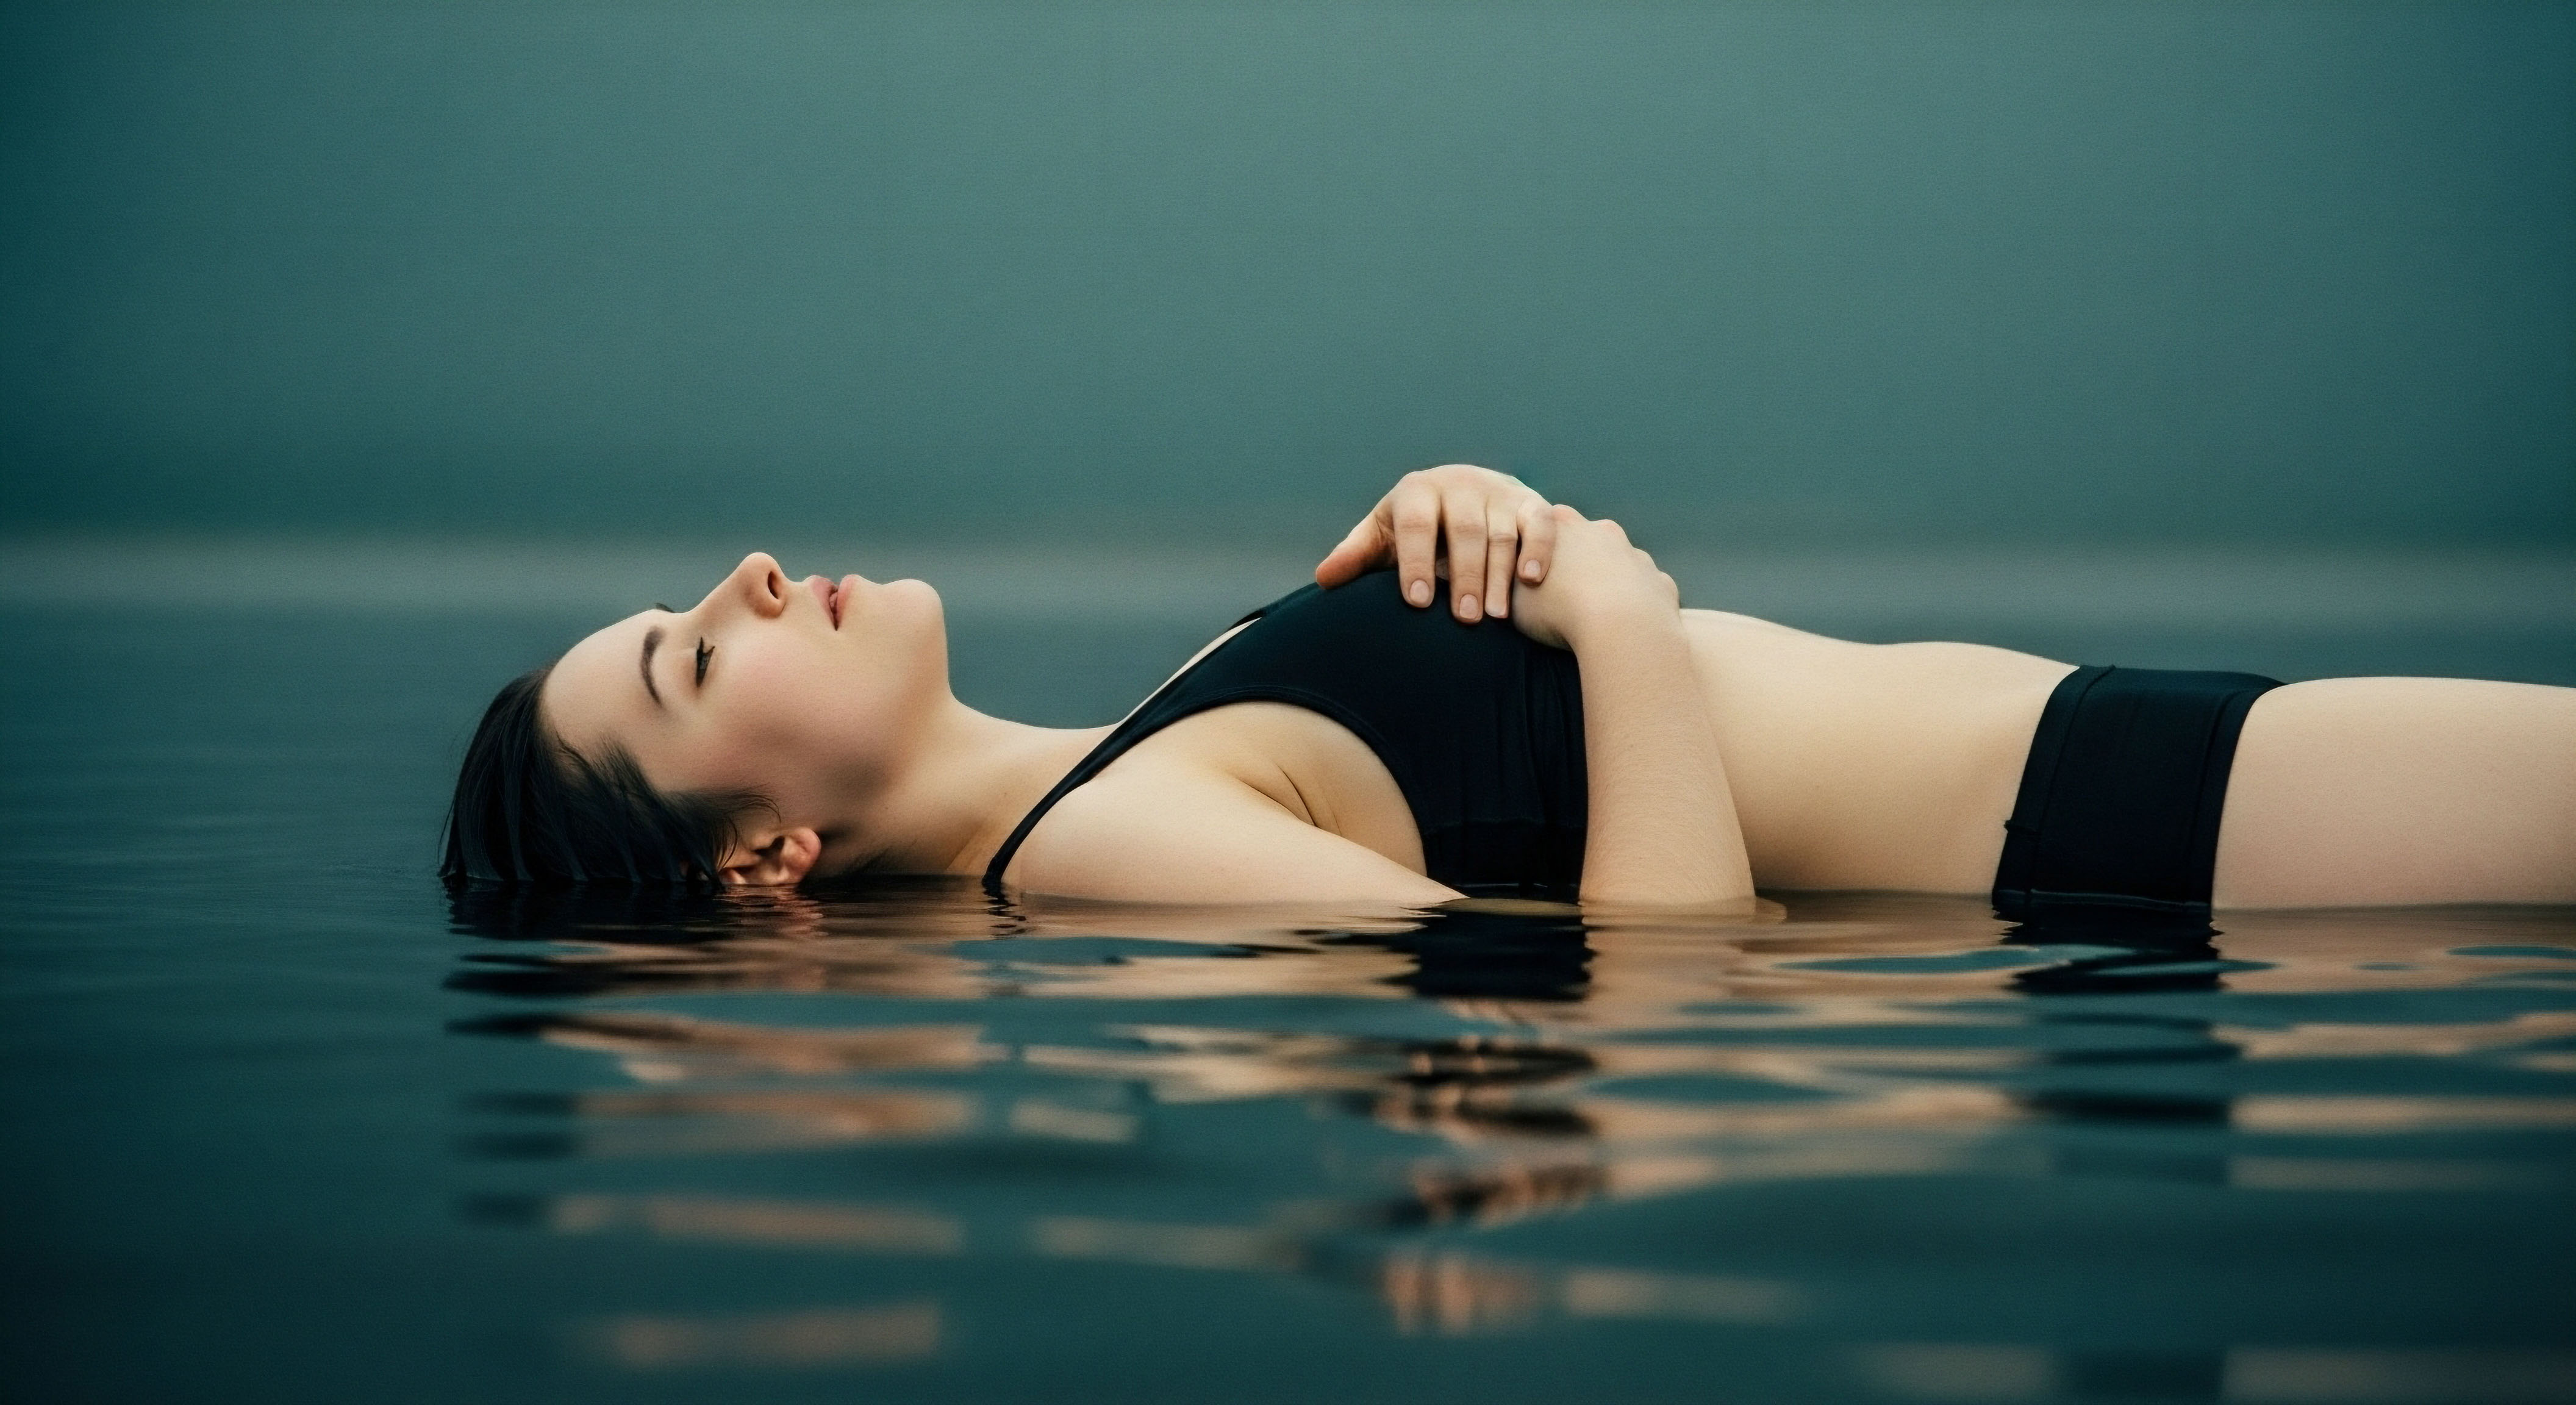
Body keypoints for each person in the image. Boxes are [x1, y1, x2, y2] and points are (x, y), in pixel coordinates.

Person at [441, 465, 2575, 913]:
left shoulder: (1129, 750)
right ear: (766, 860)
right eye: (693, 658)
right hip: (2131, 841)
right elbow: (1652, 982)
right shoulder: (1100, 850)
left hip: (2126, 784)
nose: (743, 579)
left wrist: (1486, 521)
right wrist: (1620, 619)